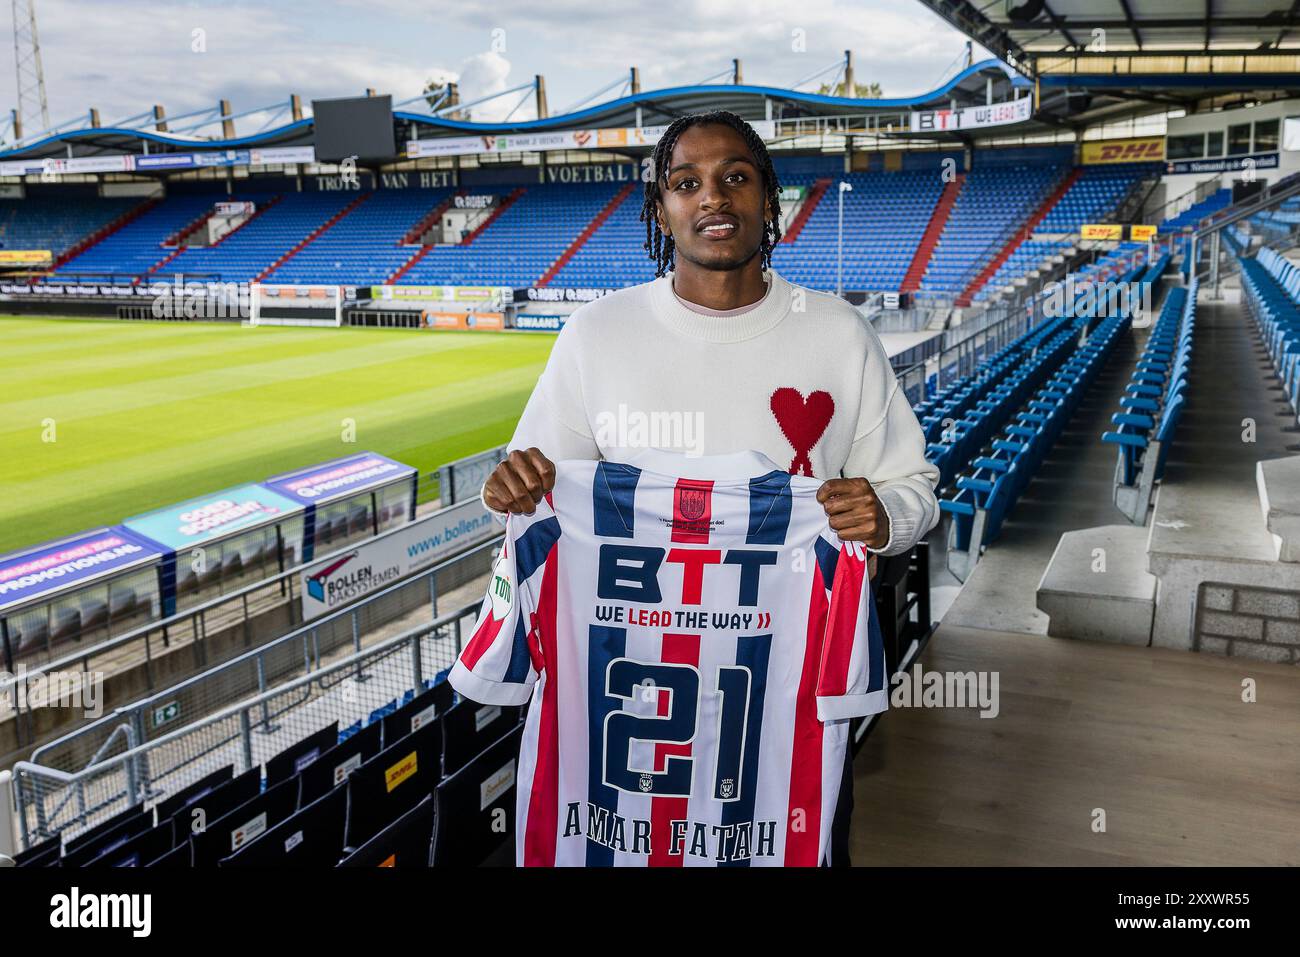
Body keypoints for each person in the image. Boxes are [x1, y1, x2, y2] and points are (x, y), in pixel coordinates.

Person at [480, 109, 940, 865]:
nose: (712, 199)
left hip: (786, 710)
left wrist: (883, 513)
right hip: (628, 715)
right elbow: (532, 494)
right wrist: (513, 486)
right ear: (661, 208)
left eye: (736, 177)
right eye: (686, 182)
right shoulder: (596, 335)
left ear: (769, 198)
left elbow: (914, 485)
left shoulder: (837, 334)